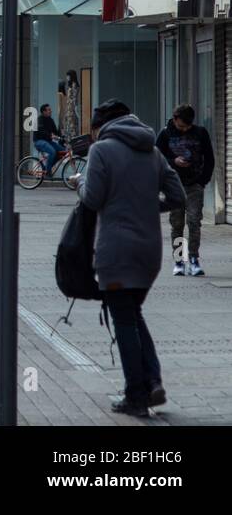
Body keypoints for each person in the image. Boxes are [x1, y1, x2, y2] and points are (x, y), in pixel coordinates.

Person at [73, 99, 186, 417]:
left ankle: (136, 394)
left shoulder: (101, 151)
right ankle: (152, 383)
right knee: (133, 314)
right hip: (150, 251)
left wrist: (79, 183)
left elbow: (92, 199)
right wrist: (148, 206)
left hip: (116, 250)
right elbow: (177, 197)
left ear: (101, 125)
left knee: (123, 320)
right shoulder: (152, 151)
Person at [156, 103, 215, 277]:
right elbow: (155, 157)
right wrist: (174, 161)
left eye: (188, 126)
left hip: (194, 185)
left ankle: (194, 259)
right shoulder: (165, 134)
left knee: (194, 221)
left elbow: (209, 158)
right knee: (177, 224)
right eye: (181, 126)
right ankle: (179, 261)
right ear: (174, 119)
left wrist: (202, 181)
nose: (184, 129)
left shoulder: (200, 133)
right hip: (174, 186)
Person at [33, 103, 61, 176]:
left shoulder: (50, 120)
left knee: (62, 151)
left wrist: (62, 136)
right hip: (39, 141)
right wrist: (51, 136)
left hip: (48, 141)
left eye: (50, 110)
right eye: (49, 110)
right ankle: (48, 172)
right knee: (52, 152)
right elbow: (41, 132)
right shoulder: (39, 120)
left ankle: (46, 168)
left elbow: (56, 131)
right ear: (44, 112)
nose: (50, 111)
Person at [59, 69, 81, 139]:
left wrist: (75, 108)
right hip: (69, 108)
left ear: (71, 76)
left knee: (72, 125)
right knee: (69, 125)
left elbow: (74, 98)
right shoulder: (71, 85)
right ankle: (70, 141)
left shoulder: (74, 85)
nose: (67, 77)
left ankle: (72, 140)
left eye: (68, 76)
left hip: (71, 108)